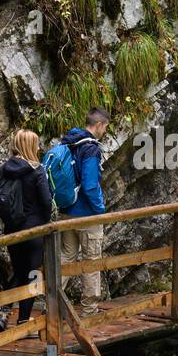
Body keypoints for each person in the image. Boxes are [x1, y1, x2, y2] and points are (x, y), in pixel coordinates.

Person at [0, 130, 52, 333]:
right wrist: (44, 220)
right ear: (31, 146)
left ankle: (3, 310)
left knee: (18, 272)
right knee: (33, 274)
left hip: (13, 230)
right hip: (34, 230)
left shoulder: (2, 170)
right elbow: (46, 201)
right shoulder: (37, 170)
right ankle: (24, 322)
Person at [55, 107, 109, 316]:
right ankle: (89, 310)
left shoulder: (67, 142)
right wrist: (100, 210)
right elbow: (90, 184)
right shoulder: (91, 148)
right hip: (87, 214)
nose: (104, 132)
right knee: (91, 261)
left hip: (66, 210)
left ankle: (51, 302)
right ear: (99, 125)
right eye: (105, 127)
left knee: (66, 258)